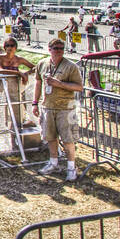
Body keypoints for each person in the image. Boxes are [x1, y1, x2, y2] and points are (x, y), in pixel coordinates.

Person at [32, 39, 84, 180]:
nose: (59, 50)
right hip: (48, 106)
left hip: (66, 108)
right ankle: (53, 162)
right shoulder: (42, 64)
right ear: (49, 49)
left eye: (61, 48)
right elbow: (38, 83)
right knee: (50, 137)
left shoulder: (71, 66)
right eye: (56, 48)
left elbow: (79, 87)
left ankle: (71, 167)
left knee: (68, 139)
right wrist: (35, 103)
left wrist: (60, 84)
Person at [0, 37, 36, 127]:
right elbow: (0, 70)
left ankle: (17, 126)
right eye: (7, 45)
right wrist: (18, 73)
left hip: (14, 86)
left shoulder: (19, 59)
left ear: (15, 47)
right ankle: (2, 127)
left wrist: (26, 74)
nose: (9, 47)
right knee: (2, 107)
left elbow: (35, 67)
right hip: (2, 85)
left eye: (12, 45)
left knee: (16, 107)